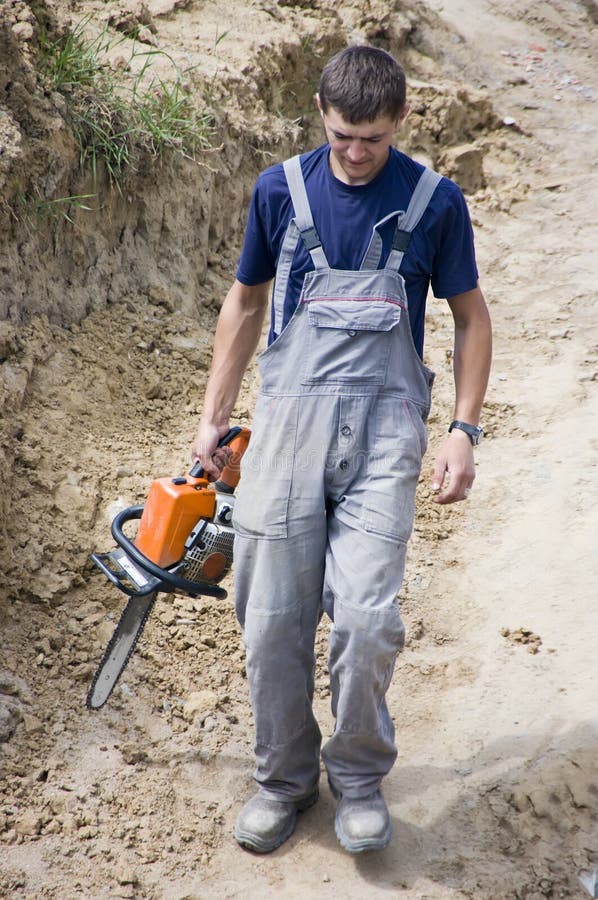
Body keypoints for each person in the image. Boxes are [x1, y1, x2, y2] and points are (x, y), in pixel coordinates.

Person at [191, 45, 492, 855]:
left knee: (365, 618)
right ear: (320, 117)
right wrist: (214, 418)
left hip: (387, 434)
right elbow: (246, 303)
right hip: (287, 429)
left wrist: (463, 431)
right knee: (271, 622)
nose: (354, 154)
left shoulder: (434, 202)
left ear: (398, 121)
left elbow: (470, 317)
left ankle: (357, 777)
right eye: (339, 136)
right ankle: (283, 780)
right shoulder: (278, 191)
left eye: (370, 138)